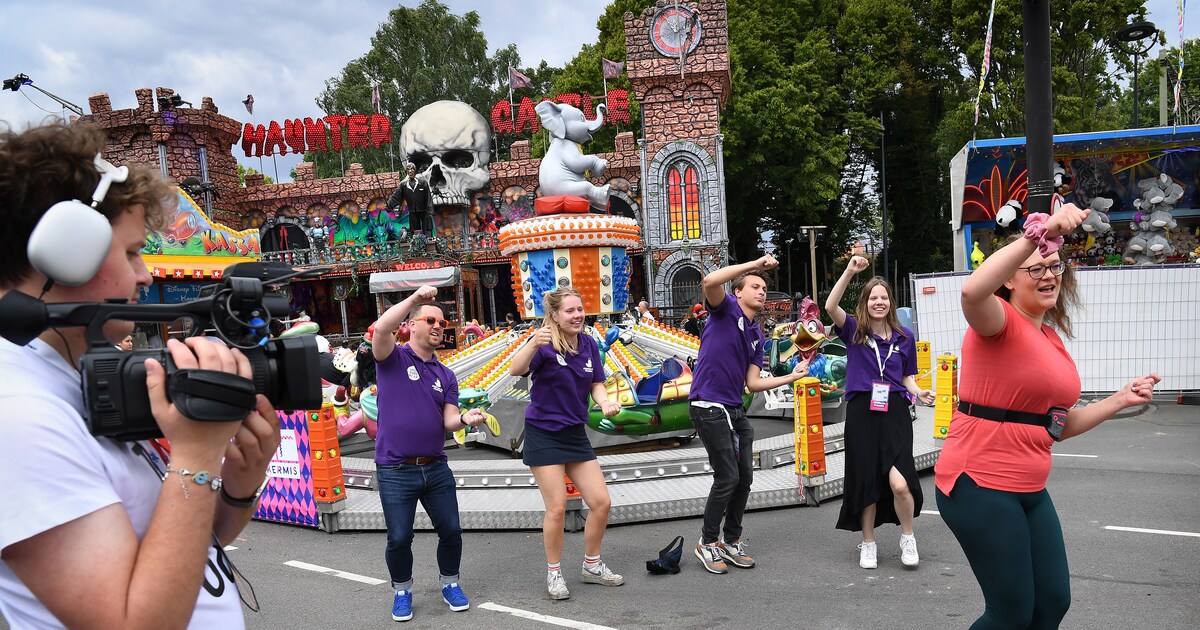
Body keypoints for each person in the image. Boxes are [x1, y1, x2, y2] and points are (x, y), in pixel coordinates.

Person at [0, 122, 280, 629]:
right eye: (131, 251)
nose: (146, 274)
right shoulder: (18, 414)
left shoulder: (69, 377)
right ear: (65, 255)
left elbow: (183, 551)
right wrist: (196, 455)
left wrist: (237, 483)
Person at [935, 204, 1160, 628]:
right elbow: (970, 292)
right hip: (978, 483)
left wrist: (1118, 400)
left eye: (1054, 266)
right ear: (1011, 279)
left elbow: (1055, 425)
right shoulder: (996, 322)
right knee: (1010, 613)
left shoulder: (1050, 337)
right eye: (1035, 269)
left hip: (1029, 486)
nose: (1049, 275)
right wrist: (1036, 236)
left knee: (1052, 603)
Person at [371, 284, 488, 622]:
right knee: (399, 537)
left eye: (443, 323)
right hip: (395, 468)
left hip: (435, 468)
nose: (439, 326)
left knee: (451, 529)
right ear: (413, 324)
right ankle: (402, 590)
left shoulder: (446, 374)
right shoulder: (392, 358)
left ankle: (450, 583)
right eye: (431, 320)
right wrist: (415, 300)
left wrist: (466, 418)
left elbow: (449, 419)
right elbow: (381, 328)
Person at [689, 255, 810, 574]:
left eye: (764, 288)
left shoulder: (757, 336)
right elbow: (710, 282)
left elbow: (753, 383)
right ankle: (707, 542)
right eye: (754, 286)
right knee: (727, 476)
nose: (761, 291)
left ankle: (731, 541)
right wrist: (754, 264)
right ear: (738, 291)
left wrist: (791, 377)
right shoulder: (724, 308)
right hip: (707, 404)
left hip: (733, 410)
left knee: (744, 478)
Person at [508, 287, 624, 600]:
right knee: (557, 507)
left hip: (574, 432)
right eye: (570, 311)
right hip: (544, 433)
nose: (577, 315)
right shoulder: (543, 344)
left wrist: (605, 402)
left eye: (580, 309)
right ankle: (554, 573)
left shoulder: (587, 343)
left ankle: (592, 565)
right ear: (556, 316)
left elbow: (596, 383)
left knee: (601, 502)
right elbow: (515, 369)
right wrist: (533, 342)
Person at [825, 255, 934, 570]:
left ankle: (908, 536)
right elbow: (831, 306)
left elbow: (907, 377)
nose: (879, 302)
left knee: (900, 482)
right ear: (865, 302)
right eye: (873, 298)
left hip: (896, 411)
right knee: (867, 480)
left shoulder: (905, 337)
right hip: (862, 412)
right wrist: (848, 270)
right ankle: (868, 542)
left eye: (884, 297)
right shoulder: (855, 331)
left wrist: (918, 392)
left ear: (891, 302)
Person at [387, 162, 434, 237]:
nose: (410, 171)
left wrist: (430, 210)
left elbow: (428, 197)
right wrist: (389, 206)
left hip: (424, 210)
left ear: (415, 170)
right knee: (415, 231)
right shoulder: (404, 185)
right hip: (412, 211)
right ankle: (417, 246)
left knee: (427, 228)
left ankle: (429, 243)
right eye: (408, 169)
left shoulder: (423, 183)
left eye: (412, 169)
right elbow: (396, 196)